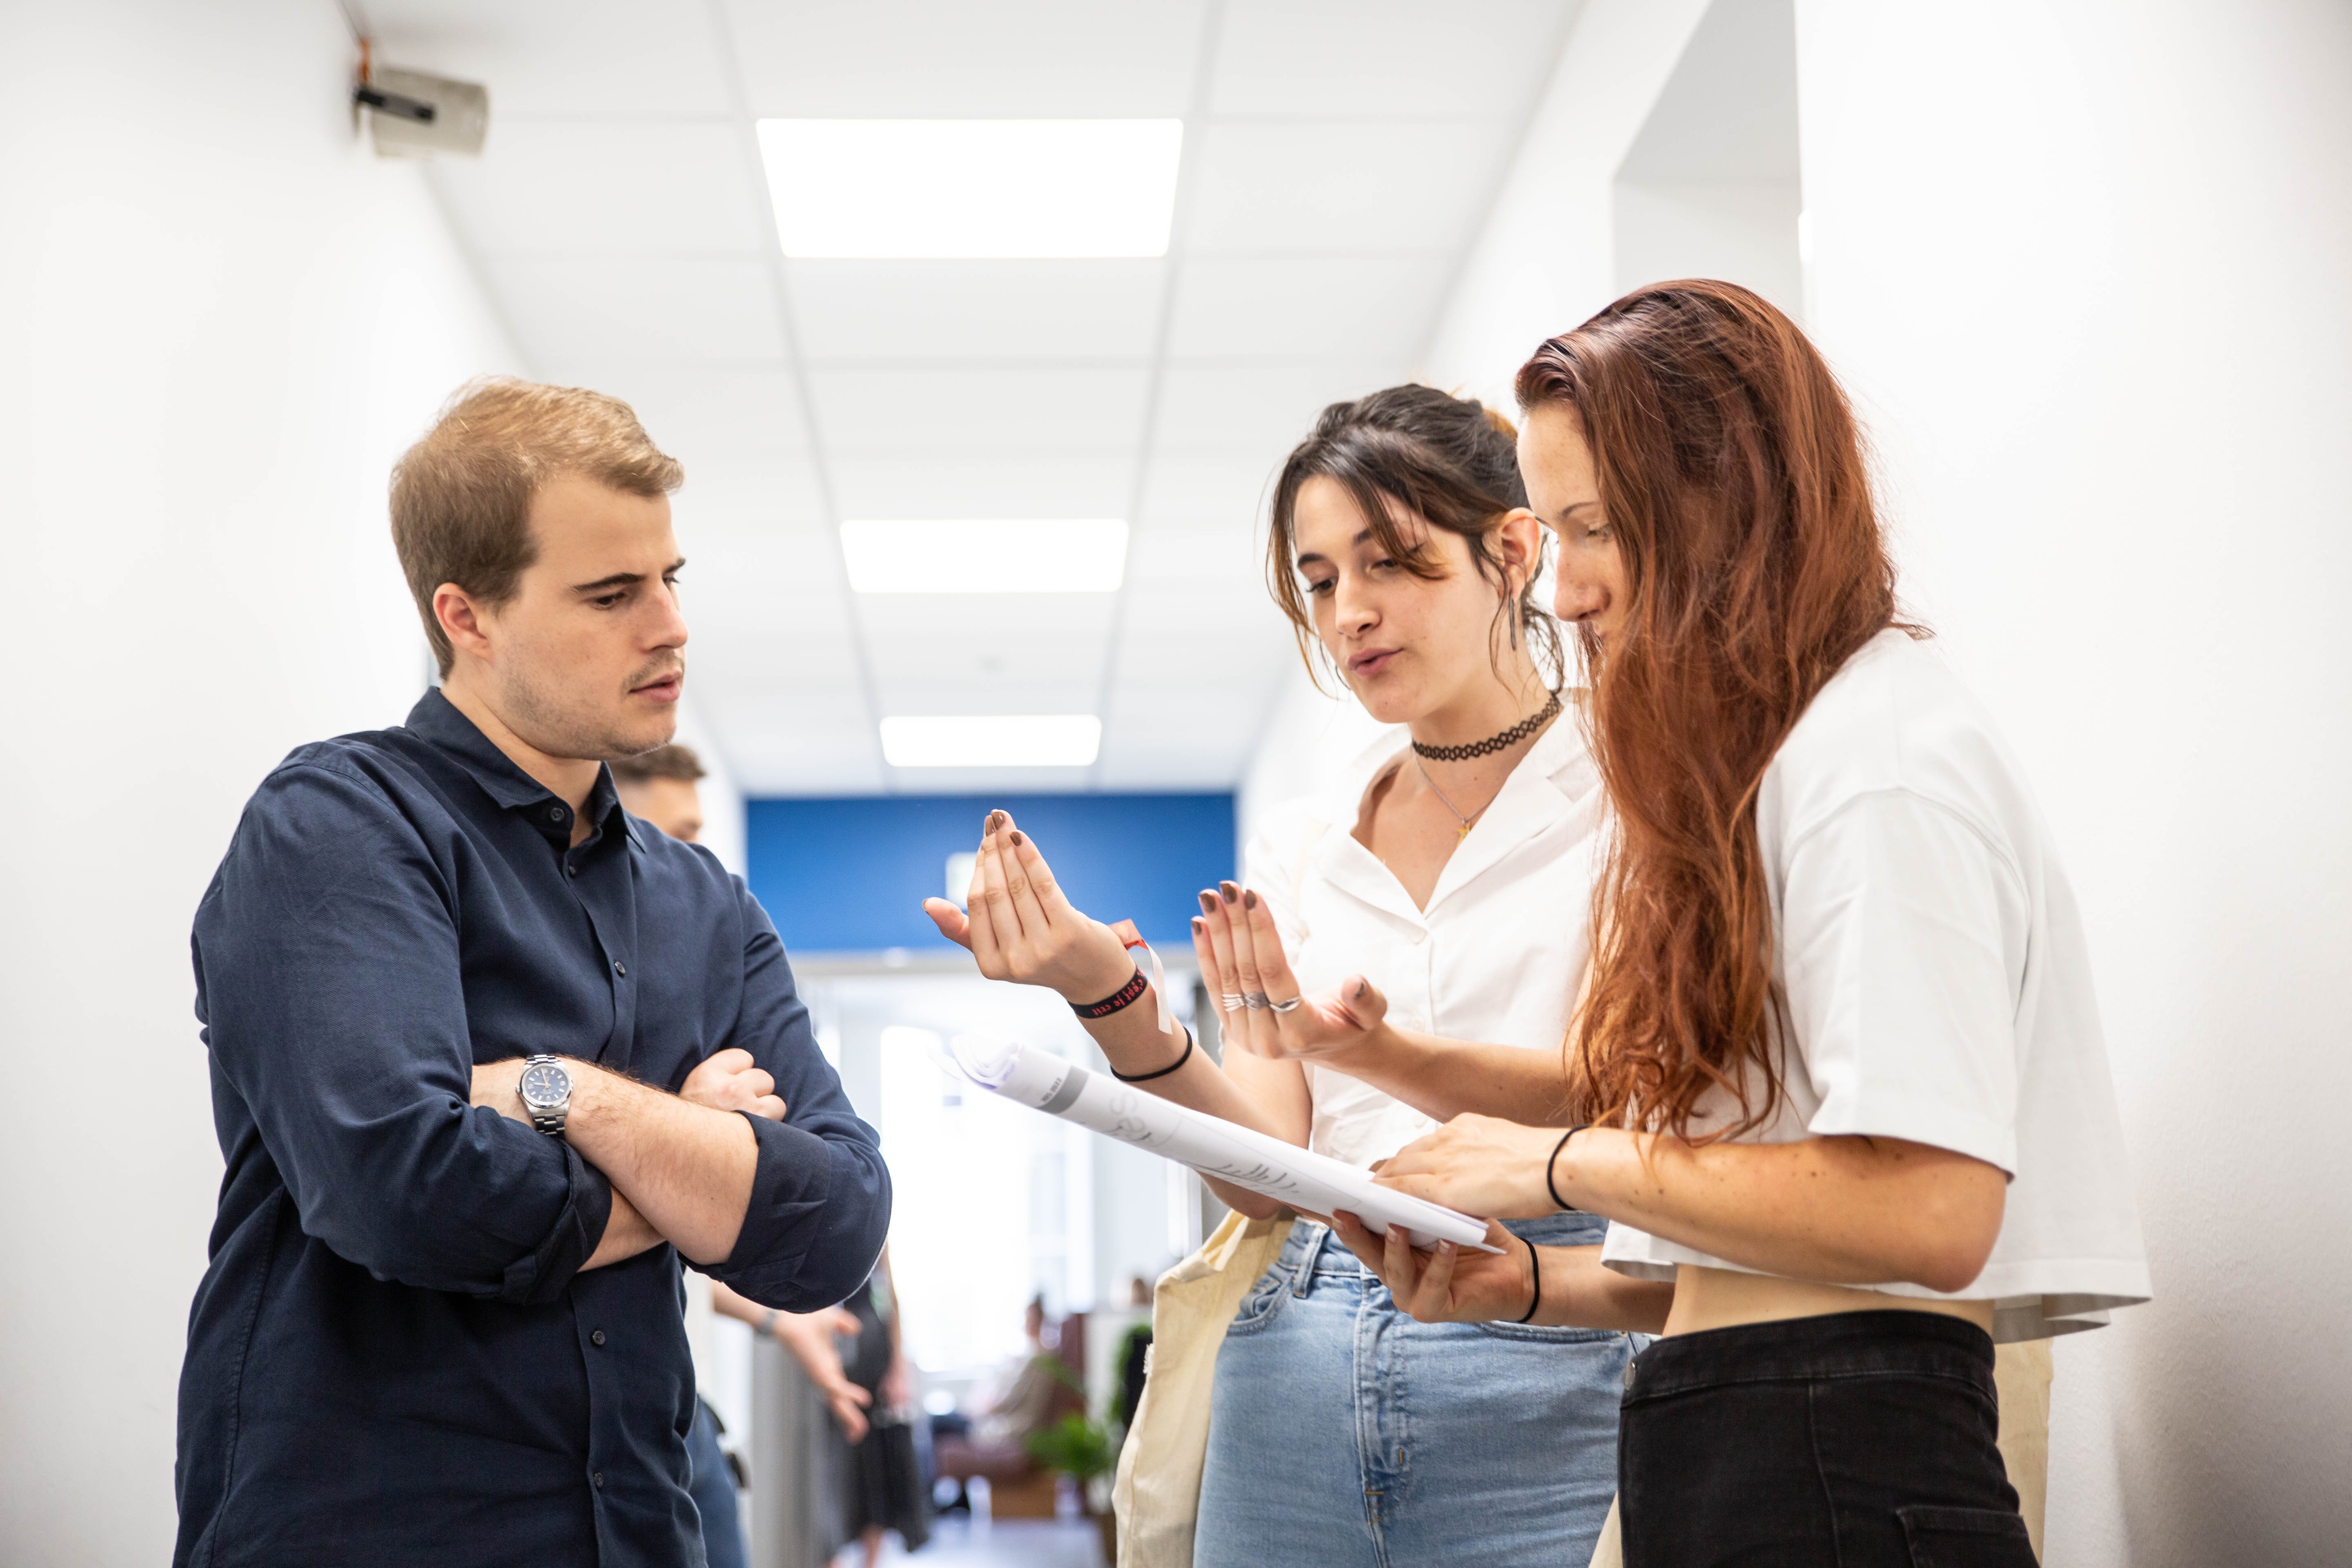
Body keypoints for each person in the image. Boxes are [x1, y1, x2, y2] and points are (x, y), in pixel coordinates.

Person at [1307, 283, 2149, 1566]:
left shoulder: (1879, 764)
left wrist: (1558, 1169)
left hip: (1835, 1450)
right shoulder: (1790, 762)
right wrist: (1528, 1282)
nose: (1570, 593)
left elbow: (1928, 1211)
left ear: (1730, 501)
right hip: (1735, 1434)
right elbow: (1737, 1254)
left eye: (1597, 531)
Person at [923, 386, 1670, 1567]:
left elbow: (1655, 1091)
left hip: (1558, 1323)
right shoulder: (1305, 847)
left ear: (1516, 551)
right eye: (1321, 581)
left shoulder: (1644, 794)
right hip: (1303, 1345)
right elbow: (1268, 1179)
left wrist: (1386, 1056)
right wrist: (1106, 998)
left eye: (1397, 564)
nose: (1353, 613)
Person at [178, 377, 892, 1566]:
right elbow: (404, 1189)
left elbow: (833, 1227)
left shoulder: (702, 904)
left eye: (671, 580)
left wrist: (572, 1094)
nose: (668, 628)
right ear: (468, 616)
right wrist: (693, 1168)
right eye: (611, 595)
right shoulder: (339, 828)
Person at [610, 740, 871, 1568]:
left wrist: (779, 1318)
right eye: (680, 828)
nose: (691, 854)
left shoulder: (705, 952)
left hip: (674, 1407)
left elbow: (817, 1192)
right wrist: (684, 1133)